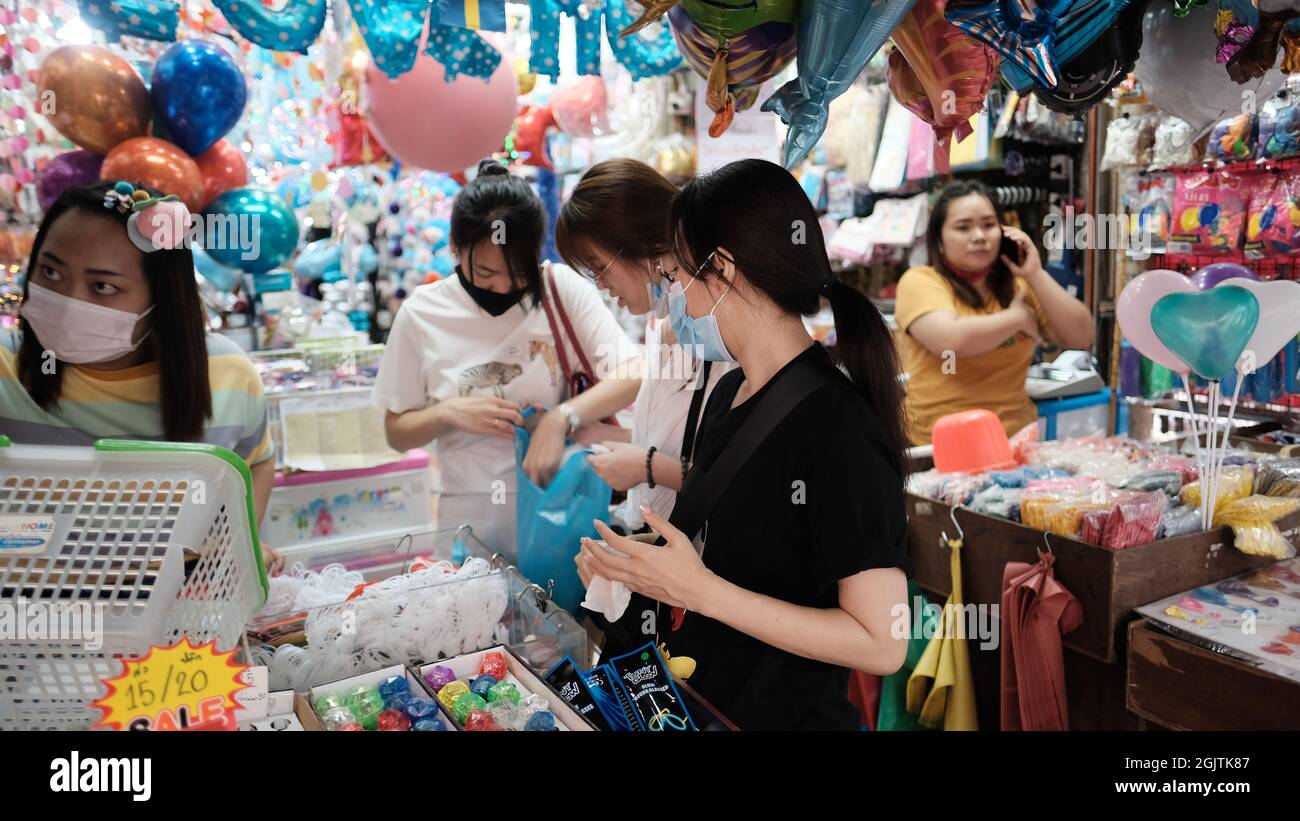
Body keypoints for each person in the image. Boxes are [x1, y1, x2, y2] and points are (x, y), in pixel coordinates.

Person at [575, 159, 911, 730]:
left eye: (678, 277)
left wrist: (700, 592)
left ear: (723, 270)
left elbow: (882, 643)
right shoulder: (730, 389)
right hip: (706, 705)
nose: (673, 297)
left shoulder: (837, 426)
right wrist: (638, 572)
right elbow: (731, 553)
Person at [0, 180, 284, 574]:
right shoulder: (5, 365)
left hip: (177, 620)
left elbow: (256, 461)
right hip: (29, 614)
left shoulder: (225, 376)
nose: (68, 301)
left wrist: (240, 542)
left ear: (161, 298)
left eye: (103, 286)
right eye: (50, 271)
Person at [374, 160, 639, 557]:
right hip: (468, 518)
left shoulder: (559, 289)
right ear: (455, 248)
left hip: (560, 506)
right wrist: (447, 413)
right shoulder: (422, 312)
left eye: (517, 273)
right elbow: (397, 433)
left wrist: (559, 419)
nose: (502, 287)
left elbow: (633, 373)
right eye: (485, 272)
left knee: (560, 615)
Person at [555, 158, 734, 532]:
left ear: (645, 244)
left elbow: (740, 479)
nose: (600, 285)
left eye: (599, 267)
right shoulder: (666, 321)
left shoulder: (710, 330)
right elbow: (682, 441)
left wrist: (645, 465)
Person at [894, 180, 1095, 444]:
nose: (979, 236)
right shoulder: (920, 281)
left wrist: (1036, 273)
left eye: (988, 225)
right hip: (936, 445)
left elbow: (1081, 337)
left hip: (1013, 440)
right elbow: (951, 342)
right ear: (939, 238)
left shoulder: (1020, 285)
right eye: (963, 227)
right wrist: (1017, 318)